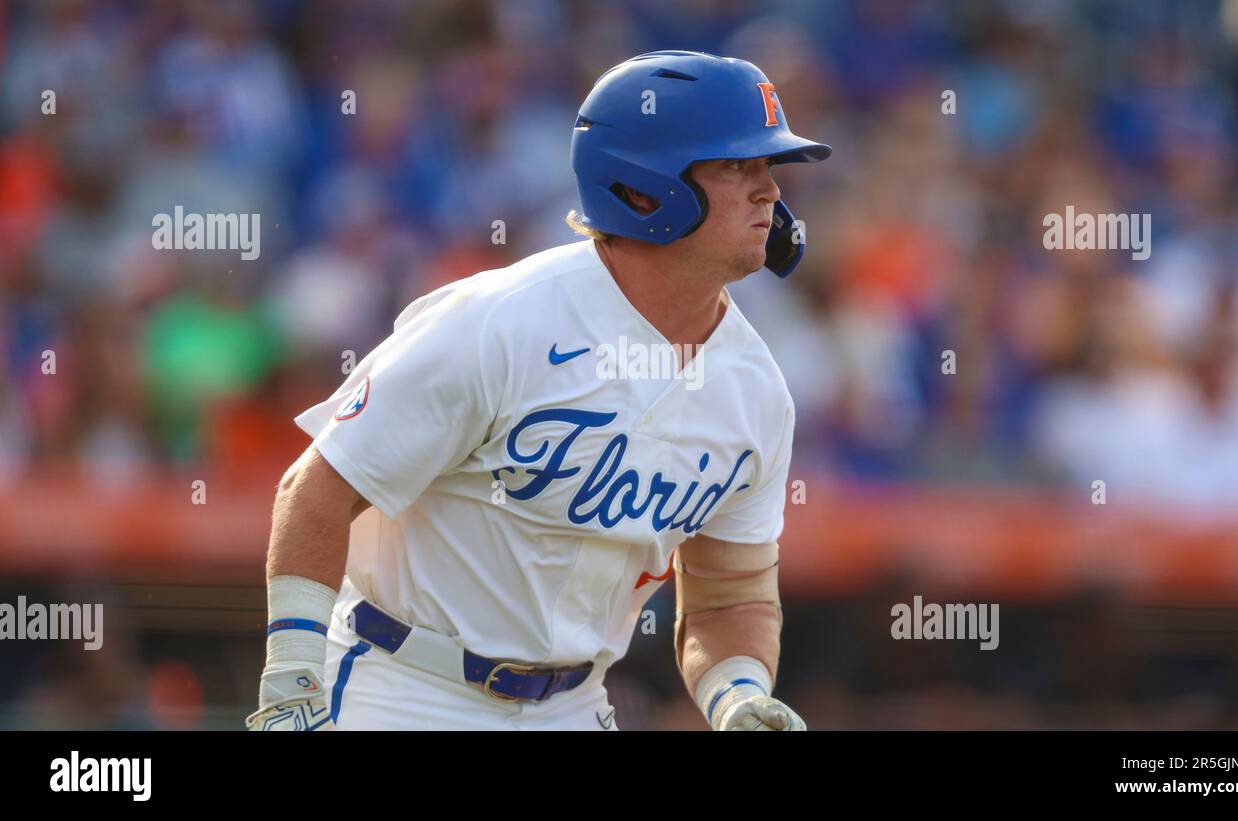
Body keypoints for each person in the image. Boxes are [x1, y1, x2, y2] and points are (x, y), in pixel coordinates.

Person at [246, 50, 831, 731]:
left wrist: (737, 696)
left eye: (769, 168)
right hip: (406, 684)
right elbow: (316, 491)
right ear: (644, 188)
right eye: (736, 166)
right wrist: (293, 674)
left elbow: (730, 597)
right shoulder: (498, 321)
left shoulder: (759, 393)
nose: (770, 192)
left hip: (577, 703)